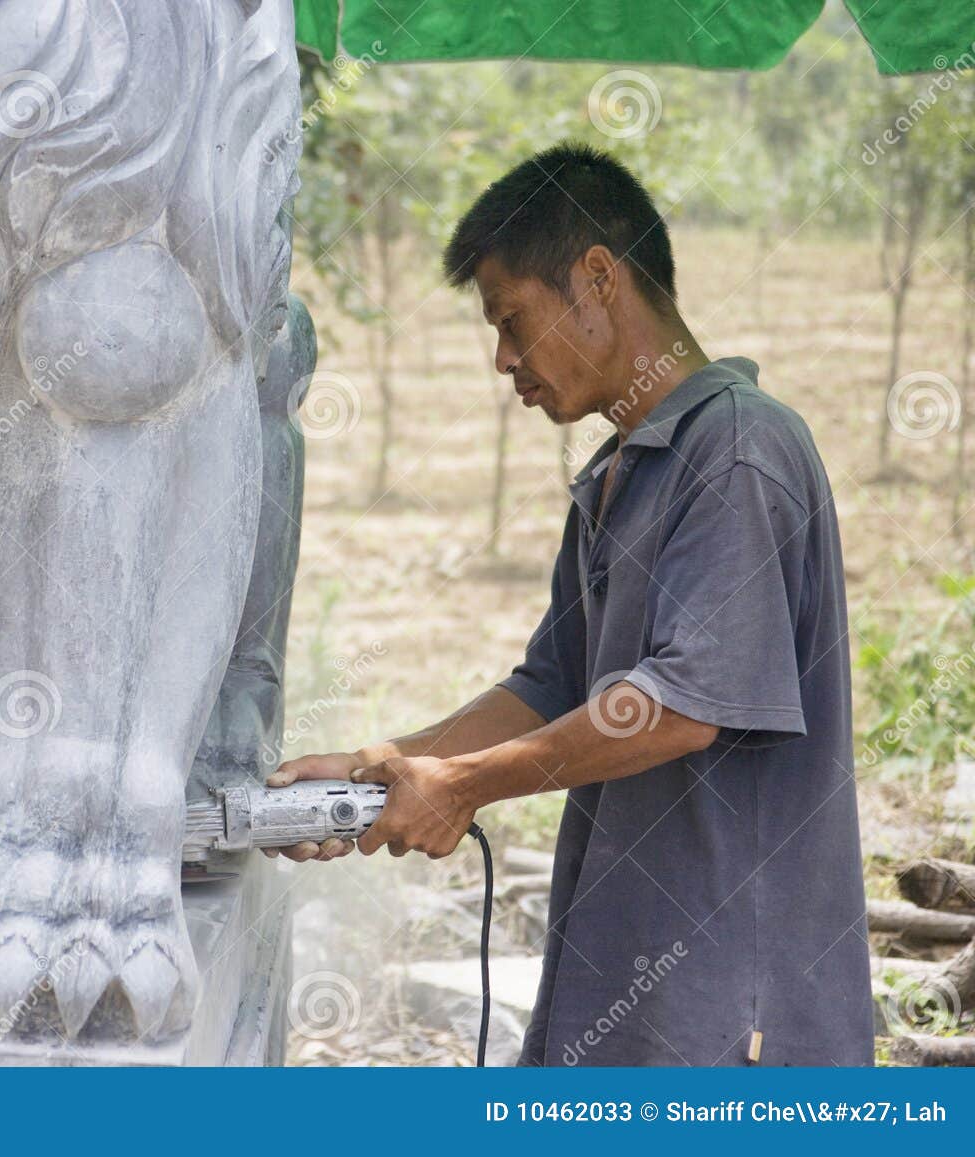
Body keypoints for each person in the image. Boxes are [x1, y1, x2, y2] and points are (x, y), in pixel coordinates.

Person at [271, 143, 873, 1067]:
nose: (504, 360)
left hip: (730, 1016)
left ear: (597, 279)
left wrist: (464, 787)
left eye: (513, 321)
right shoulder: (618, 474)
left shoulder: (741, 452)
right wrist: (380, 768)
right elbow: (551, 685)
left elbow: (679, 706)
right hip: (629, 984)